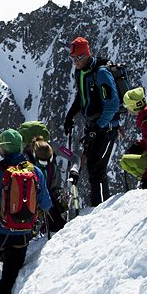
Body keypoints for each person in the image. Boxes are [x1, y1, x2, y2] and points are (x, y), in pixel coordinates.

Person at [0, 129, 53, 294]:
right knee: (12, 266)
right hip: (24, 233)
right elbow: (46, 203)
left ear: (3, 149)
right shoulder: (36, 172)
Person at [62, 36, 122, 205]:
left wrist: (98, 127)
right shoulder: (80, 72)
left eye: (78, 58)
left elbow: (112, 103)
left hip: (107, 127)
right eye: (72, 58)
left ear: (87, 54)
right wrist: (70, 115)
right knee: (91, 166)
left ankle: (101, 208)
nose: (75, 62)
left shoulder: (101, 73)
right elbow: (81, 96)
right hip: (94, 126)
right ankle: (98, 205)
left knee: (96, 168)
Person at [19, 121, 66, 234]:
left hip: (35, 199)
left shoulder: (24, 156)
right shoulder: (54, 146)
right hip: (53, 195)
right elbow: (74, 158)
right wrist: (74, 171)